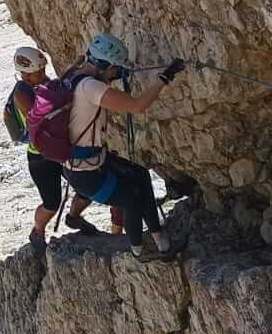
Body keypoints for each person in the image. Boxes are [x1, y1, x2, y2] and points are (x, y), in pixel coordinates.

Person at [62, 32, 185, 261]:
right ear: (104, 65)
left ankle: (161, 241)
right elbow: (138, 106)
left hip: (83, 163)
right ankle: (139, 250)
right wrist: (166, 76)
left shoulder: (74, 76)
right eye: (113, 69)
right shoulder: (92, 88)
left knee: (140, 175)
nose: (114, 73)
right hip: (88, 172)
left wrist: (111, 75)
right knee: (131, 200)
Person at [8, 46, 94, 252]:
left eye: (43, 71)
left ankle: (74, 217)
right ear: (26, 75)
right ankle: (38, 230)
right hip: (41, 156)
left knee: (88, 186)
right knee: (51, 203)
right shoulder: (22, 93)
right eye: (39, 72)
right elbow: (40, 117)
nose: (43, 75)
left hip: (56, 149)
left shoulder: (41, 84)